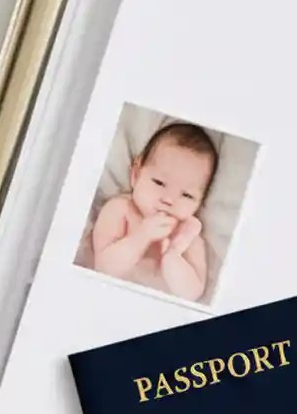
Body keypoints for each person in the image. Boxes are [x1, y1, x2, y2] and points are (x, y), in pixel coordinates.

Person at [91, 122, 216, 301]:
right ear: (135, 175)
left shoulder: (189, 237)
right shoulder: (120, 210)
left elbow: (192, 294)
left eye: (187, 195)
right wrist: (141, 236)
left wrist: (173, 256)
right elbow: (103, 268)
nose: (168, 200)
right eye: (159, 183)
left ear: (200, 203)